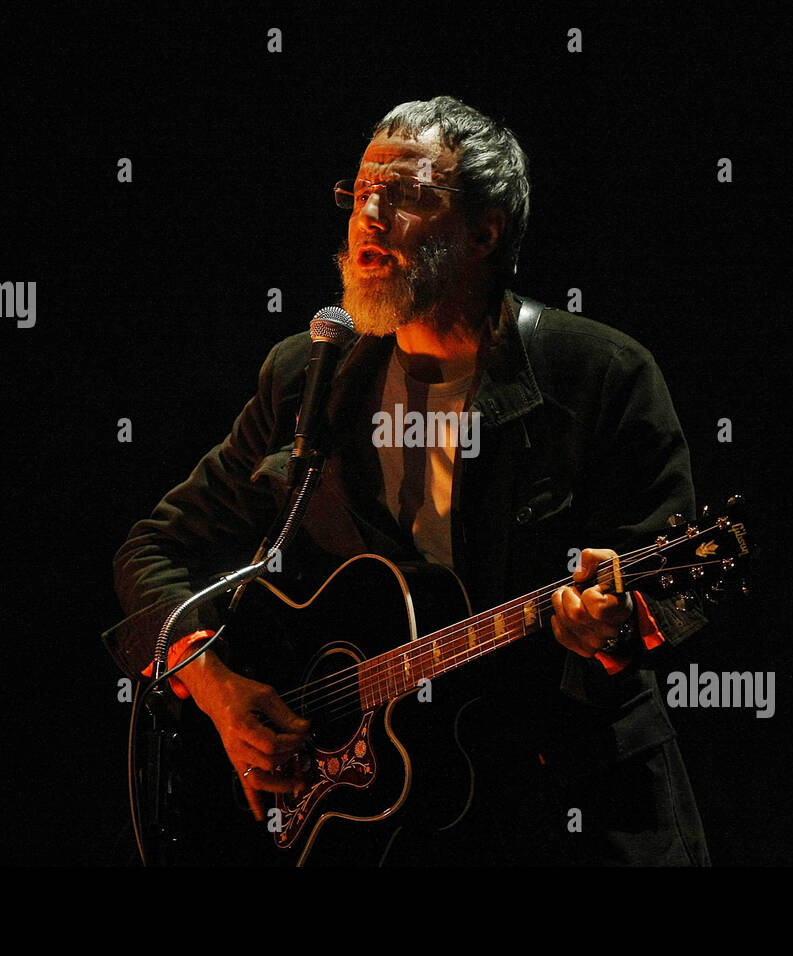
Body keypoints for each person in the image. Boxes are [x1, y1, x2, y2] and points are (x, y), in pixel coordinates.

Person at [110, 95, 712, 865]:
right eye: (360, 194)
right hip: (382, 825)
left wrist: (616, 624)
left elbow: (673, 590)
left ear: (484, 231)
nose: (369, 218)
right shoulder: (308, 376)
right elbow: (155, 549)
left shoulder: (600, 376)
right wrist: (217, 687)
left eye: (405, 197)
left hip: (570, 803)